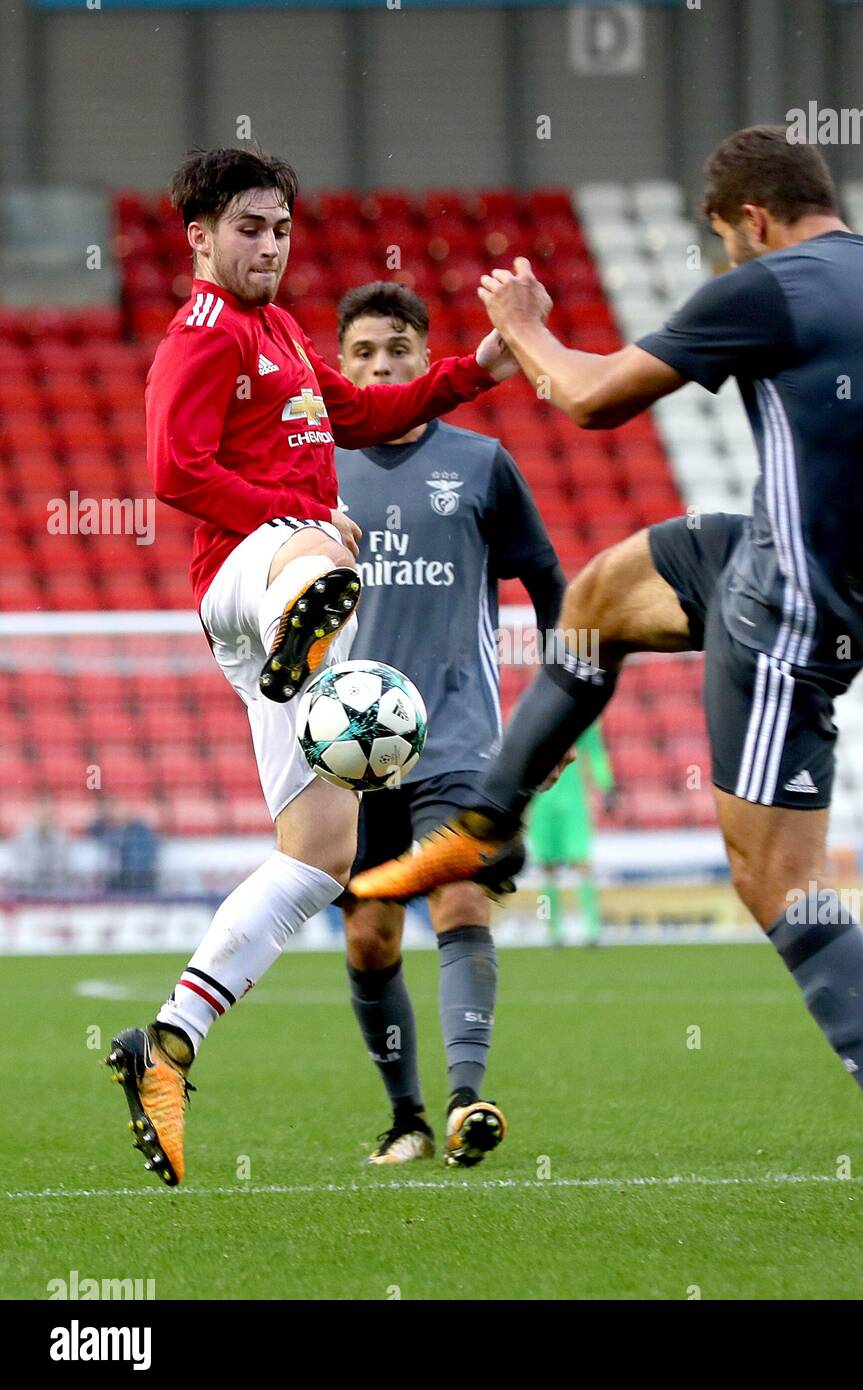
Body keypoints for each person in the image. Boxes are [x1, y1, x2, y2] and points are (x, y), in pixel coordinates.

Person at [348, 125, 863, 1235]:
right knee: (598, 595)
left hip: (787, 615)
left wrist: (521, 331)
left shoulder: (773, 284)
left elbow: (594, 399)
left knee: (774, 880)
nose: (721, 263)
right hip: (767, 557)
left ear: (747, 219)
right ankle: (486, 823)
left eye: (720, 242)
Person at [104, 147, 519, 1187]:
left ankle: (166, 1041)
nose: (269, 245)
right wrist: (291, 522)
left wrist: (478, 367)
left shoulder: (284, 331)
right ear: (198, 237)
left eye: (280, 228)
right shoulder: (202, 336)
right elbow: (171, 470)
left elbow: (369, 415)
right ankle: (310, 618)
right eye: (247, 227)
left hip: (275, 614)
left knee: (317, 860)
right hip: (243, 577)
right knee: (328, 548)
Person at [333, 282, 565, 1167]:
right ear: (342, 366)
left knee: (462, 895)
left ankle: (469, 1100)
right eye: (363, 353)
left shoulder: (479, 463)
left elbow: (550, 586)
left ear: (427, 358)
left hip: (459, 738)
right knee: (368, 936)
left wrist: (555, 713)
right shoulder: (318, 471)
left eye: (397, 348)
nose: (382, 364)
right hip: (354, 755)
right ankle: (407, 1120)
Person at [527, 722, 613, 947]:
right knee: (547, 868)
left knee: (582, 863)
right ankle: (554, 932)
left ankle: (592, 931)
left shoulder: (583, 714)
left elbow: (594, 751)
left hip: (573, 801)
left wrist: (605, 786)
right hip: (542, 802)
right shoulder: (532, 713)